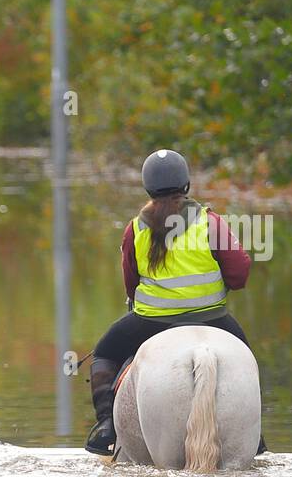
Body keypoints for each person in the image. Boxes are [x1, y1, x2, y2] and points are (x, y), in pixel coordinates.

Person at [85, 148, 263, 455]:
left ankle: (105, 427)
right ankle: (255, 436)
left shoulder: (136, 229)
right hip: (212, 319)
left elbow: (130, 281)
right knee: (246, 360)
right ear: (186, 184)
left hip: (150, 322)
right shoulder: (211, 223)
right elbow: (240, 273)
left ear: (147, 187)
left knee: (104, 353)